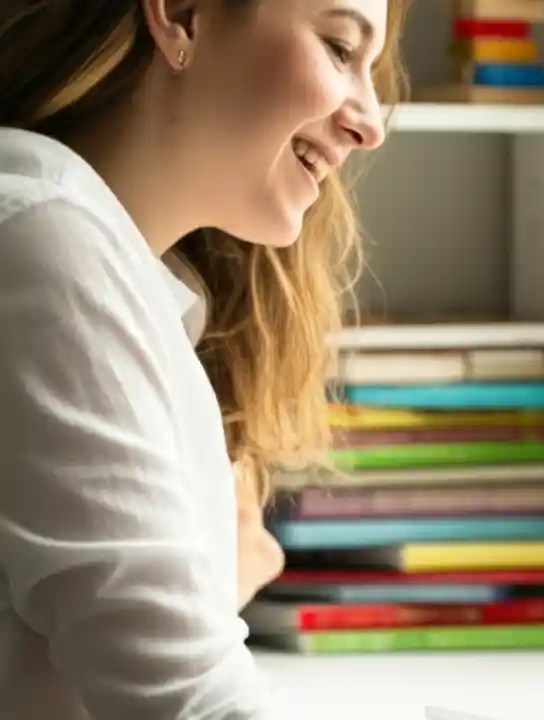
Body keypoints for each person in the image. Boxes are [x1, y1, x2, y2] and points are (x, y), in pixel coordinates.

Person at [0, 1, 407, 717]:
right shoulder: (43, 240)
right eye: (340, 48)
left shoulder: (133, 283)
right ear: (183, 16)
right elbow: (189, 706)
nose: (370, 122)